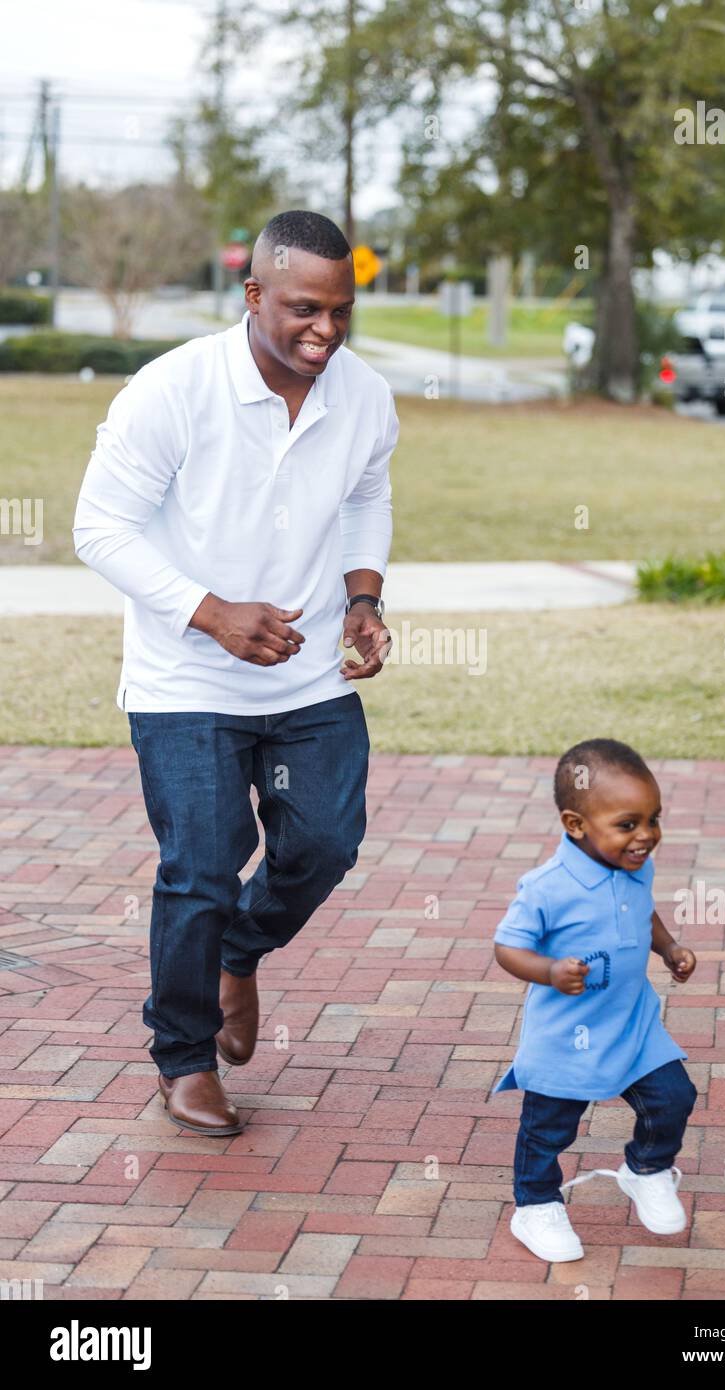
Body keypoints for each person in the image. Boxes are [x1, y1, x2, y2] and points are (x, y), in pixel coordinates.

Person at [72, 211, 398, 1138]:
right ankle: (183, 1056)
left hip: (305, 683)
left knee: (326, 842)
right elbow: (98, 529)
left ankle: (239, 953)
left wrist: (364, 600)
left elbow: (367, 494)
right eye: (303, 309)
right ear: (253, 295)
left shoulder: (362, 395)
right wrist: (213, 614)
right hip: (187, 680)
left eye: (340, 313)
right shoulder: (172, 391)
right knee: (201, 867)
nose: (324, 332)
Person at [491, 737, 698, 1263]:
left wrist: (668, 946)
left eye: (654, 819)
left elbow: (642, 910)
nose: (646, 836)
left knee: (673, 1096)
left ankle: (646, 1169)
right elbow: (507, 947)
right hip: (567, 1037)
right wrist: (549, 971)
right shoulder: (547, 887)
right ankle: (535, 1205)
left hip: (632, 1025)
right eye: (628, 824)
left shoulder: (635, 868)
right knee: (549, 1130)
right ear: (575, 824)